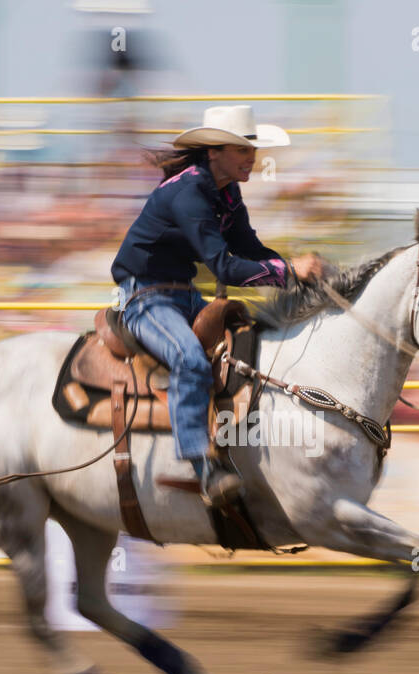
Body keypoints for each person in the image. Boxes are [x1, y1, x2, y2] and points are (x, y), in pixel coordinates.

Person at [110, 105, 326, 507]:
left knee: (249, 348)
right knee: (190, 360)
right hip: (143, 297)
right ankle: (202, 467)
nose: (252, 158)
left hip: (183, 295)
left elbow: (250, 249)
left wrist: (294, 272)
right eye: (241, 149)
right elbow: (224, 264)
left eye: (252, 149)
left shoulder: (226, 193)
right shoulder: (188, 191)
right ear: (213, 152)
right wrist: (288, 273)